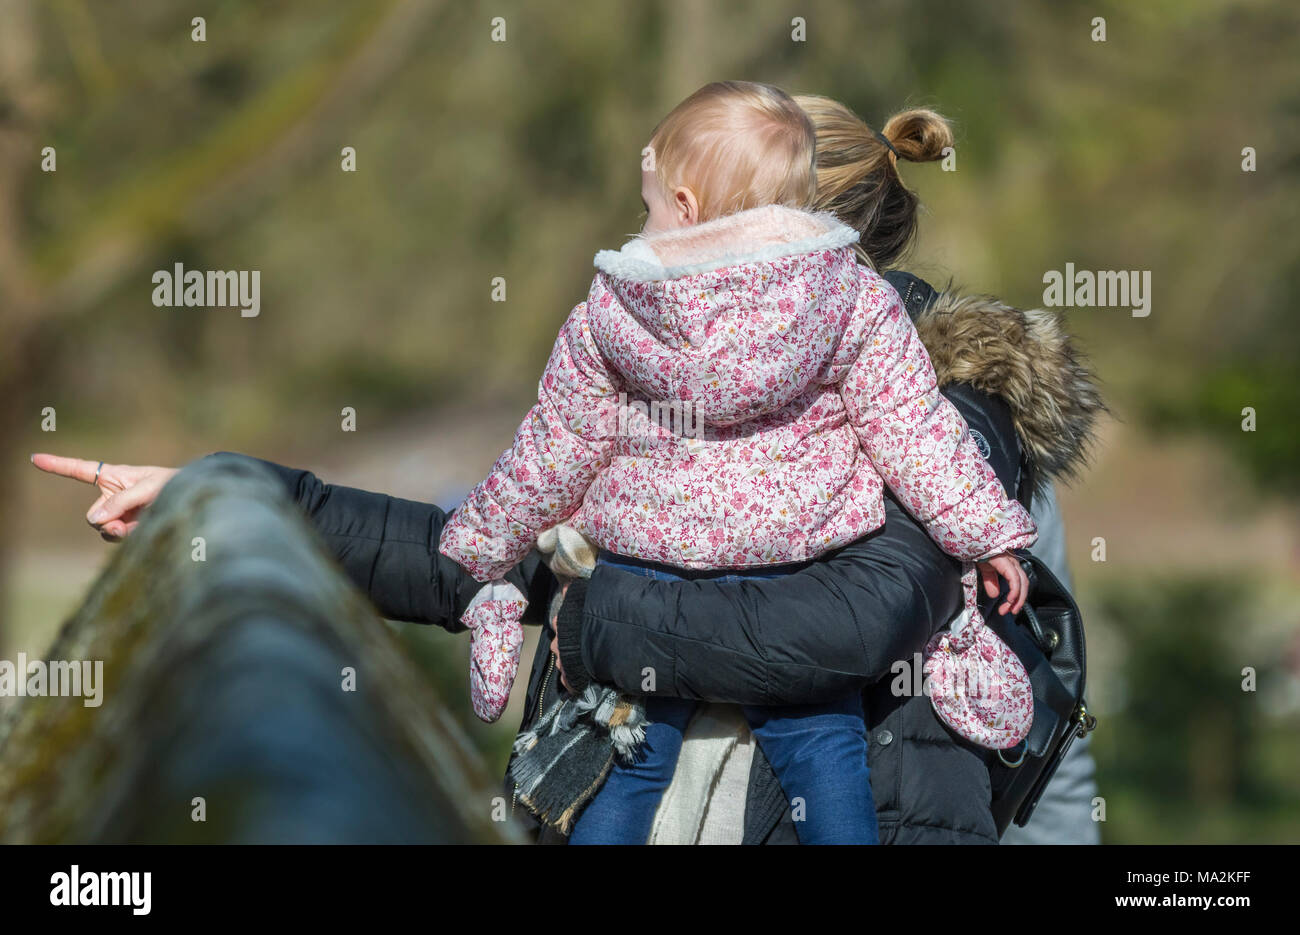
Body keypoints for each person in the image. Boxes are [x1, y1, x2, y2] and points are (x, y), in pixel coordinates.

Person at [31, 95, 1103, 845]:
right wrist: (237, 495)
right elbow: (483, 545)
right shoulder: (658, 380)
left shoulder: (940, 413)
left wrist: (593, 617)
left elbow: (851, 622)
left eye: (680, 221)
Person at [437, 80, 1037, 844]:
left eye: (652, 204)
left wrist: (477, 548)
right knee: (825, 752)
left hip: (650, 575)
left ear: (686, 207)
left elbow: (550, 452)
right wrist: (988, 532)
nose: (646, 223)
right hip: (801, 566)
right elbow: (915, 429)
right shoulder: (852, 298)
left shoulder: (611, 313)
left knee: (628, 759)